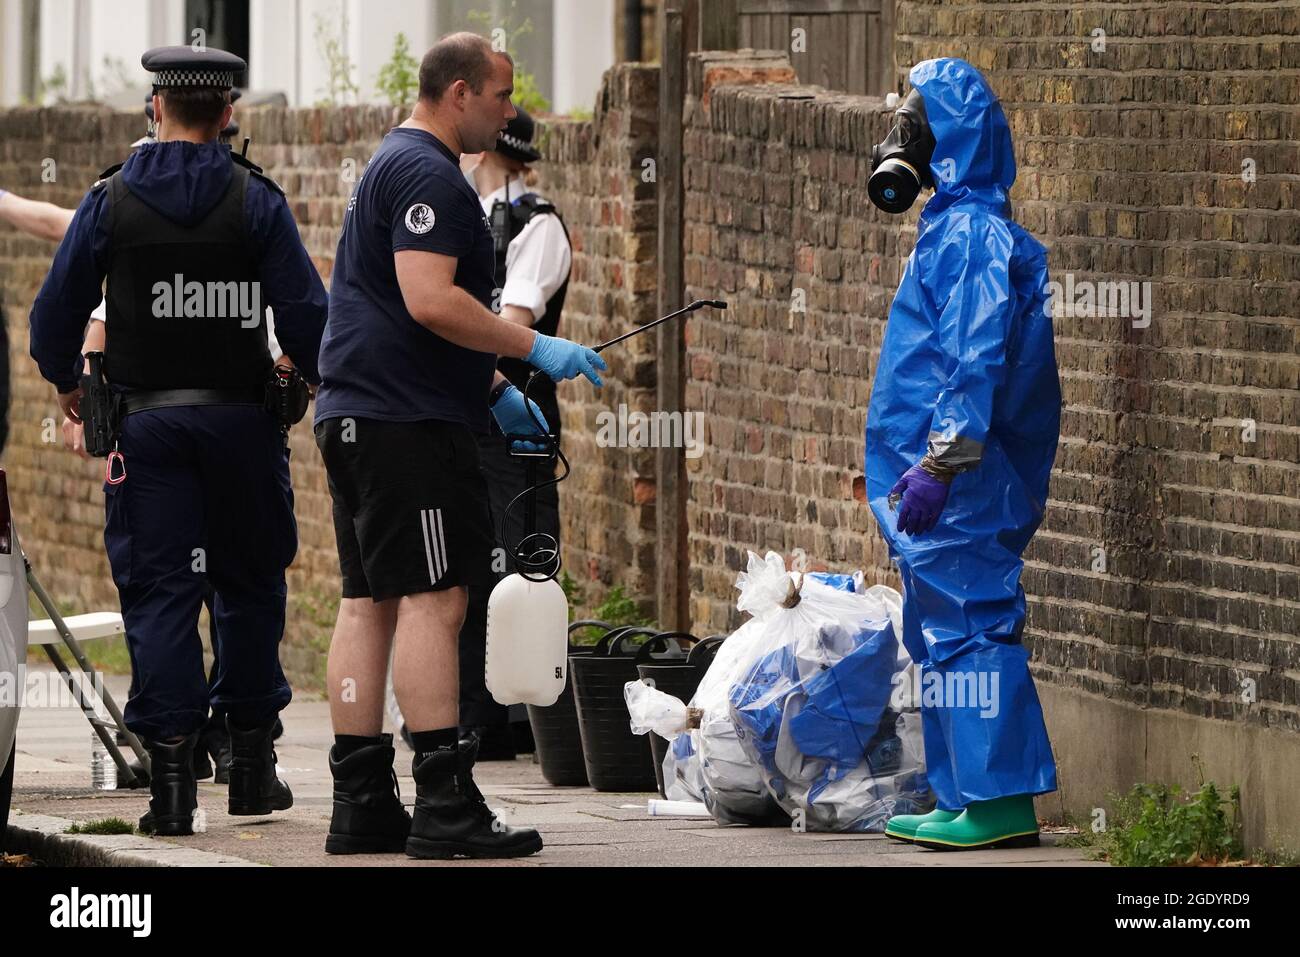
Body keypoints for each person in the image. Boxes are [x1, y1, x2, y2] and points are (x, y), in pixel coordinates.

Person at [314, 32, 604, 859]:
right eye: (502, 94)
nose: (511, 111)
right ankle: (443, 800)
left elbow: (394, 311)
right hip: (405, 426)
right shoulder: (428, 174)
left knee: (369, 600)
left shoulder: (395, 166)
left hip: (362, 414)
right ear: (459, 94)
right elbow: (430, 302)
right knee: (436, 597)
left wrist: (493, 392)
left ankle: (361, 799)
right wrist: (533, 350)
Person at [29, 46, 328, 836]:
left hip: (147, 429)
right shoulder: (257, 202)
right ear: (228, 113)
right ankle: (254, 772)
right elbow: (310, 322)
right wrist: (296, 372)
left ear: (156, 108)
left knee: (161, 592)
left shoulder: (110, 202)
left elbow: (51, 320)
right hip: (243, 424)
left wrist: (69, 386)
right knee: (251, 585)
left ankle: (170, 789)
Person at [864, 57, 1061, 850]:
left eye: (917, 117)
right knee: (940, 627)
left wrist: (943, 463)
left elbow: (975, 357)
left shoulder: (975, 235)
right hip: (937, 477)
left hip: (964, 480)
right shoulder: (950, 225)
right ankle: (961, 792)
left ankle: (1001, 798)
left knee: (973, 623)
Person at [454, 106, 571, 760]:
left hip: (515, 407)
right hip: (468, 403)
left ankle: (510, 714)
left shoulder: (537, 222)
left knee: (517, 551)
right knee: (468, 556)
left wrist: (488, 382)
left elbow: (517, 319)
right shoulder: (460, 212)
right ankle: (471, 706)